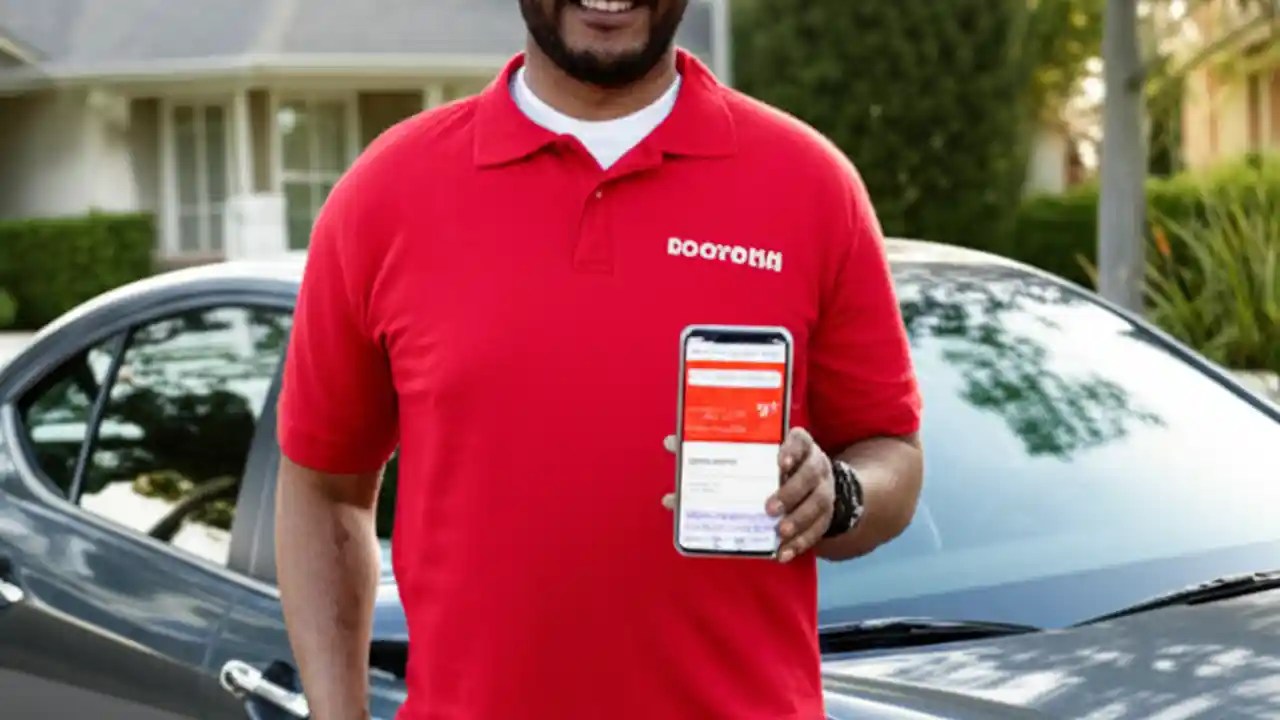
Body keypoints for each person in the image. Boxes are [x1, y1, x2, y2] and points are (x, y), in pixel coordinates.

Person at [273, 1, 925, 718]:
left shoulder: (810, 185)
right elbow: (323, 487)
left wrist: (838, 495)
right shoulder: (386, 194)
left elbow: (892, 452)